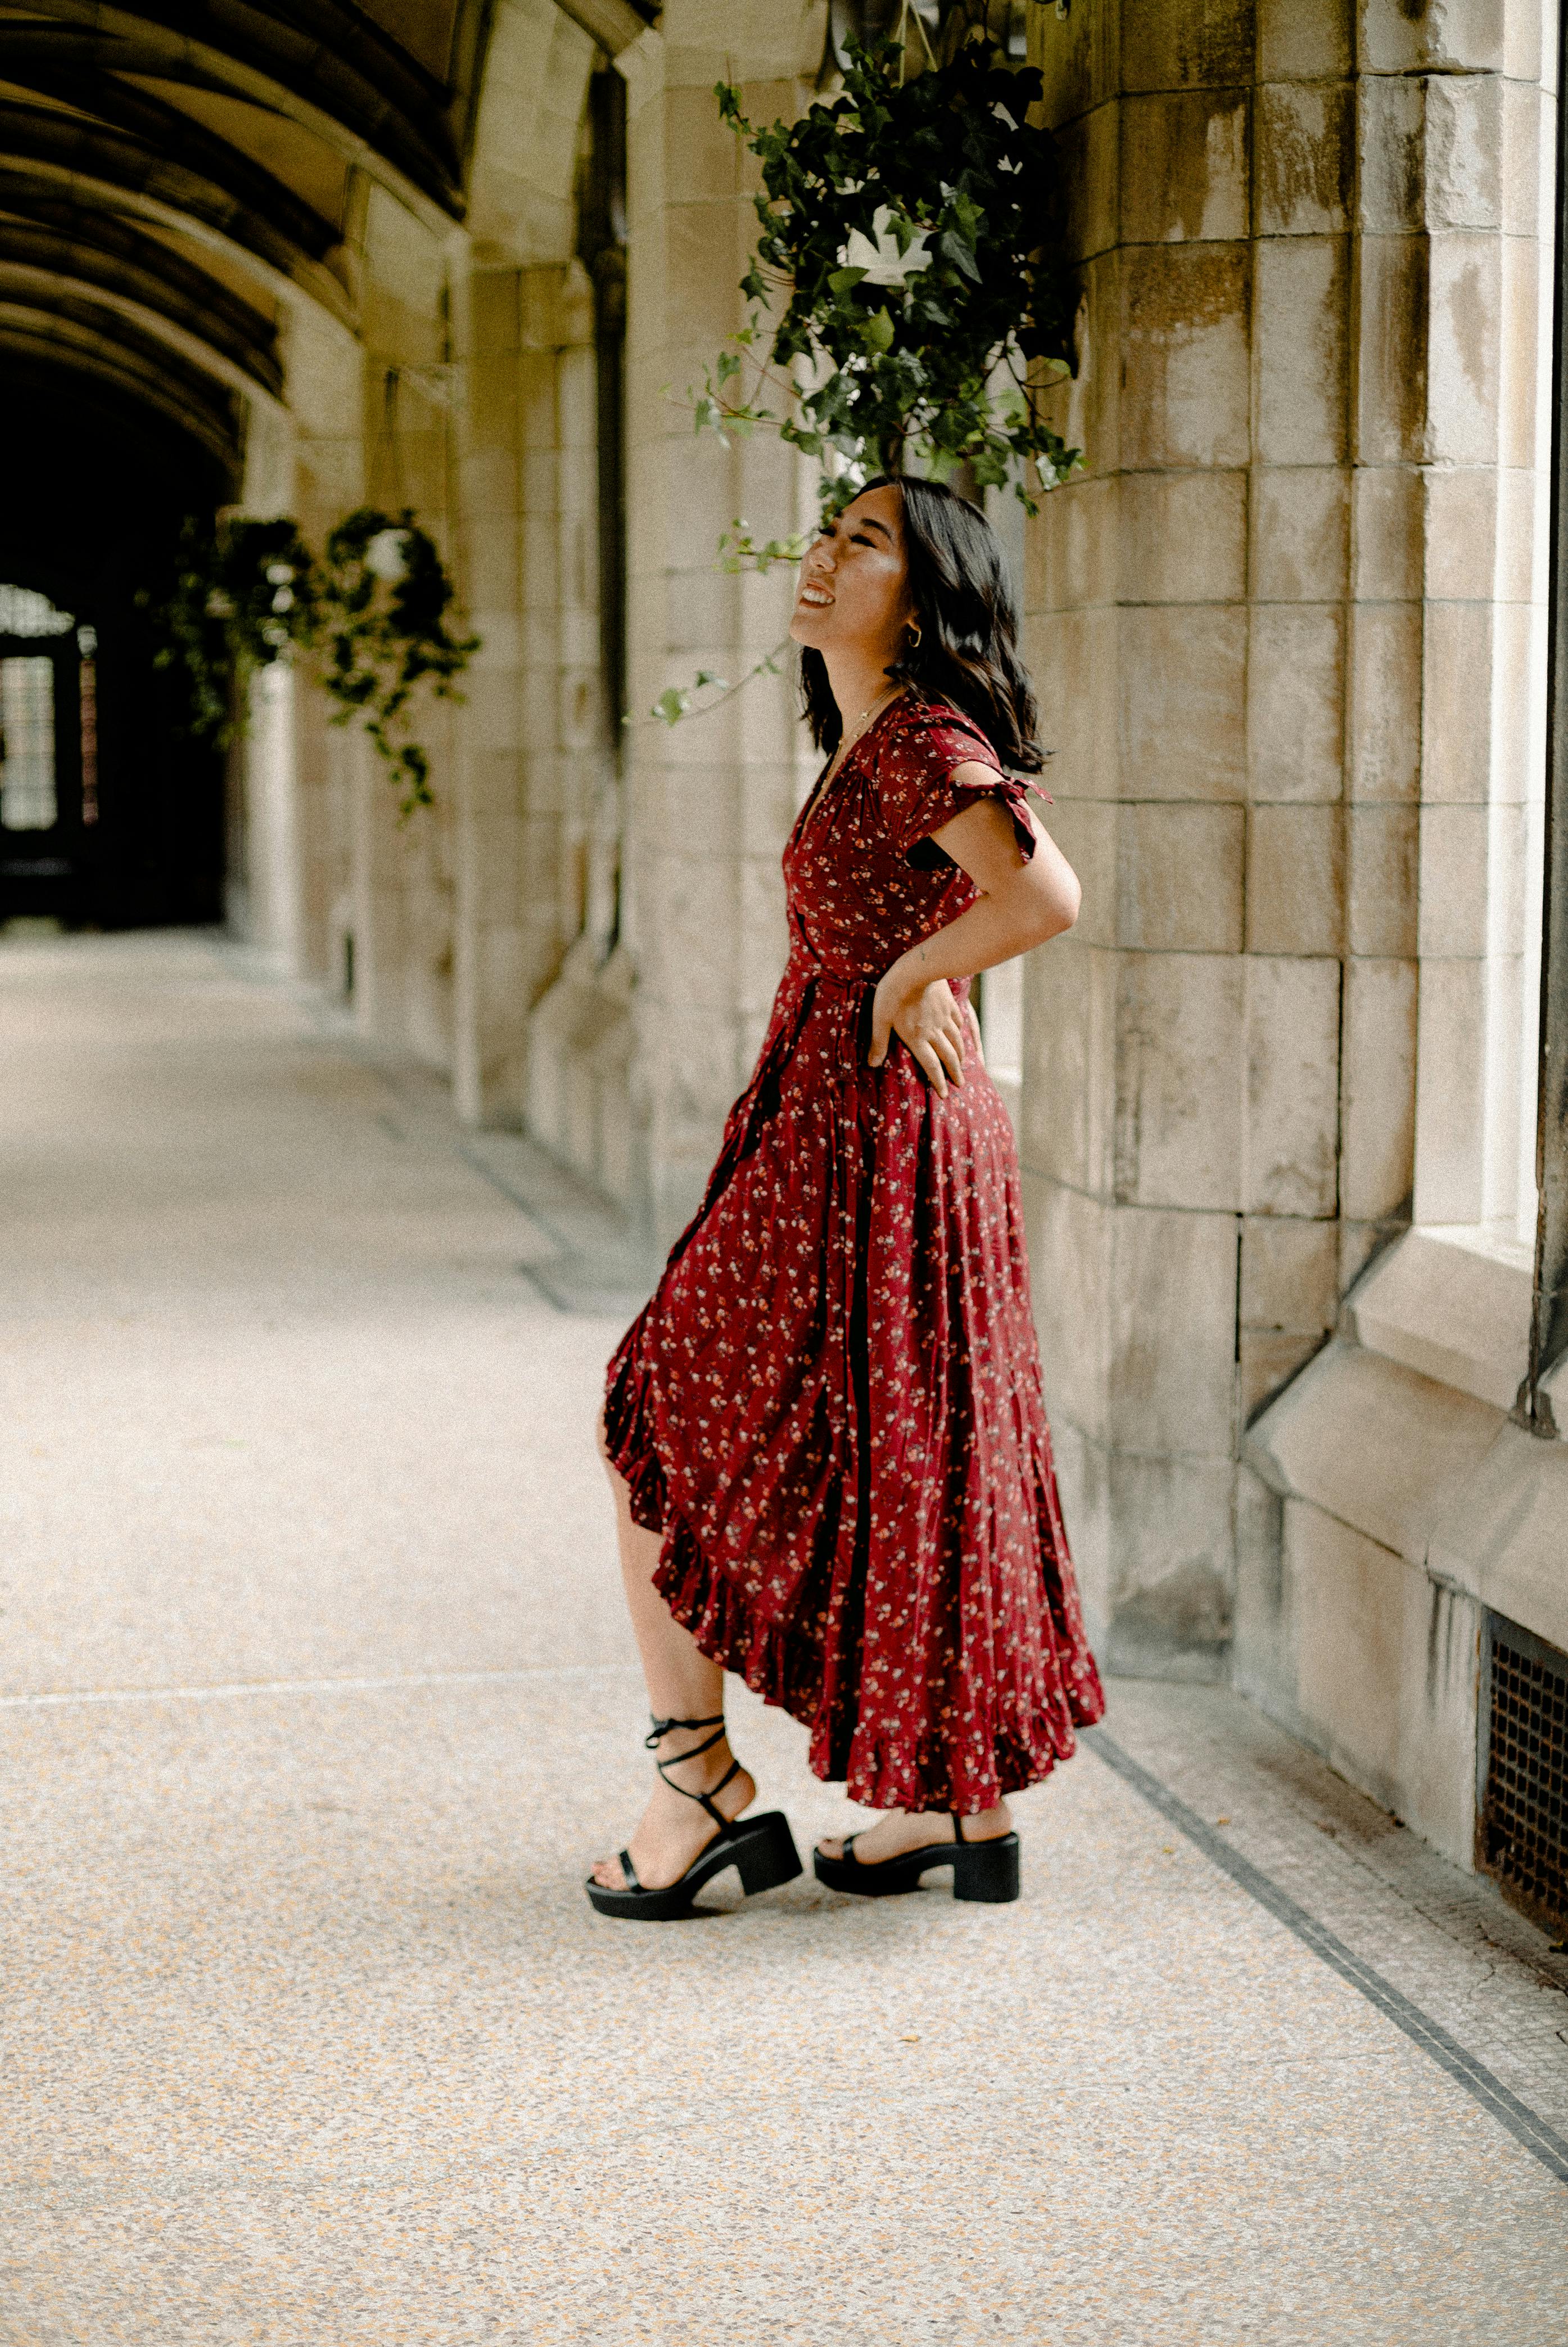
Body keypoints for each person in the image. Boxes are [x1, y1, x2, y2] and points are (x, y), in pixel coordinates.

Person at [588, 473, 1104, 1920]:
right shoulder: (876, 742)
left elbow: (1048, 895)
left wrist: (902, 977)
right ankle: (959, 1802)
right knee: (912, 1432)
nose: (822, 558)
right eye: (826, 533)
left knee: (658, 1399)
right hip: (867, 1122)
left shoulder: (916, 744)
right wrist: (916, 969)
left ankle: (698, 1784)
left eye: (863, 541)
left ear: (927, 595)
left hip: (866, 1126)